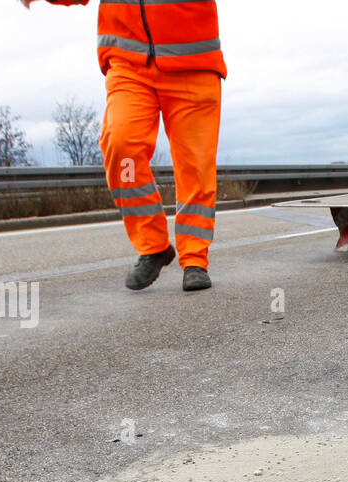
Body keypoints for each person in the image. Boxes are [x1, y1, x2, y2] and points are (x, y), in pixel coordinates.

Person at [23, 0, 225, 292]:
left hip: (193, 64)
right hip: (130, 66)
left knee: (195, 165)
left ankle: (194, 258)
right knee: (121, 148)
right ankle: (153, 245)